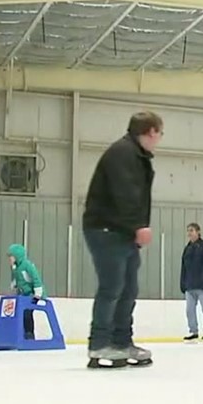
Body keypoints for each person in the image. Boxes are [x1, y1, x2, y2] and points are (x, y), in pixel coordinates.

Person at [81, 111, 162, 369]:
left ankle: (121, 341)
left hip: (122, 232)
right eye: (159, 134)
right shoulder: (123, 154)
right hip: (107, 229)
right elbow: (124, 194)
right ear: (151, 132)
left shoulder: (135, 156)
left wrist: (135, 228)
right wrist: (137, 226)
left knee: (128, 288)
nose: (159, 139)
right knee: (112, 286)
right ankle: (100, 343)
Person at [180, 222, 203, 343]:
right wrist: (183, 283)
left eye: (192, 230)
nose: (189, 233)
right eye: (188, 231)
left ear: (198, 232)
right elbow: (183, 267)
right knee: (189, 310)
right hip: (190, 285)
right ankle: (193, 332)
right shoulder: (187, 248)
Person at [7, 244, 45, 340]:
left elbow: (35, 278)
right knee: (21, 314)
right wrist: (14, 286)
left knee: (27, 313)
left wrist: (38, 294)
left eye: (11, 257)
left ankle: (29, 335)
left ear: (17, 256)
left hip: (32, 294)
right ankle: (22, 334)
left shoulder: (27, 265)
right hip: (23, 294)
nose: (9, 259)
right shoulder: (15, 268)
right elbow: (17, 279)